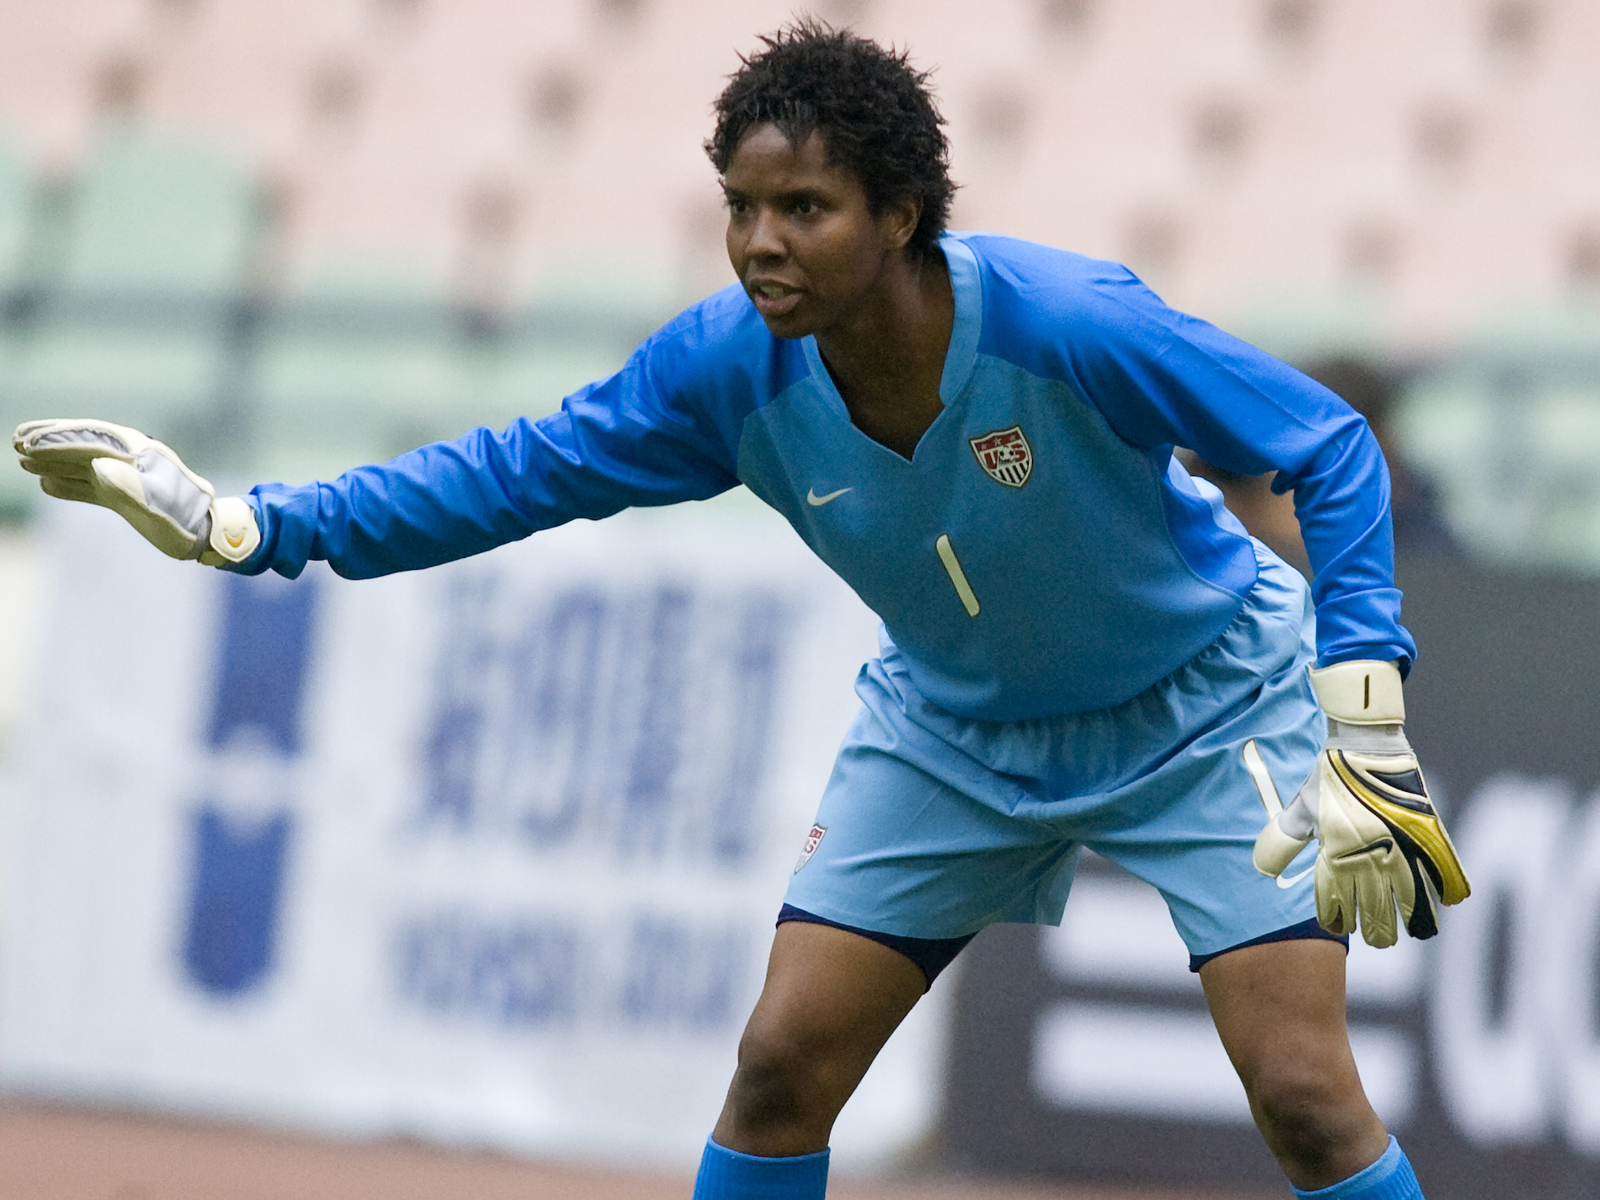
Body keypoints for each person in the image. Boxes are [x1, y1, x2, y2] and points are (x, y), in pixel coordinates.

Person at [13, 21, 1469, 1200]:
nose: (761, 241)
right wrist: (251, 525)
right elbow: (514, 474)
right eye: (741, 207)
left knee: (1303, 1101)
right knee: (779, 1072)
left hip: (1211, 710)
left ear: (902, 215)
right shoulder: (722, 369)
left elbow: (1327, 445)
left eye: (804, 208)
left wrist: (1364, 717)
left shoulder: (1069, 320)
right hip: (954, 734)